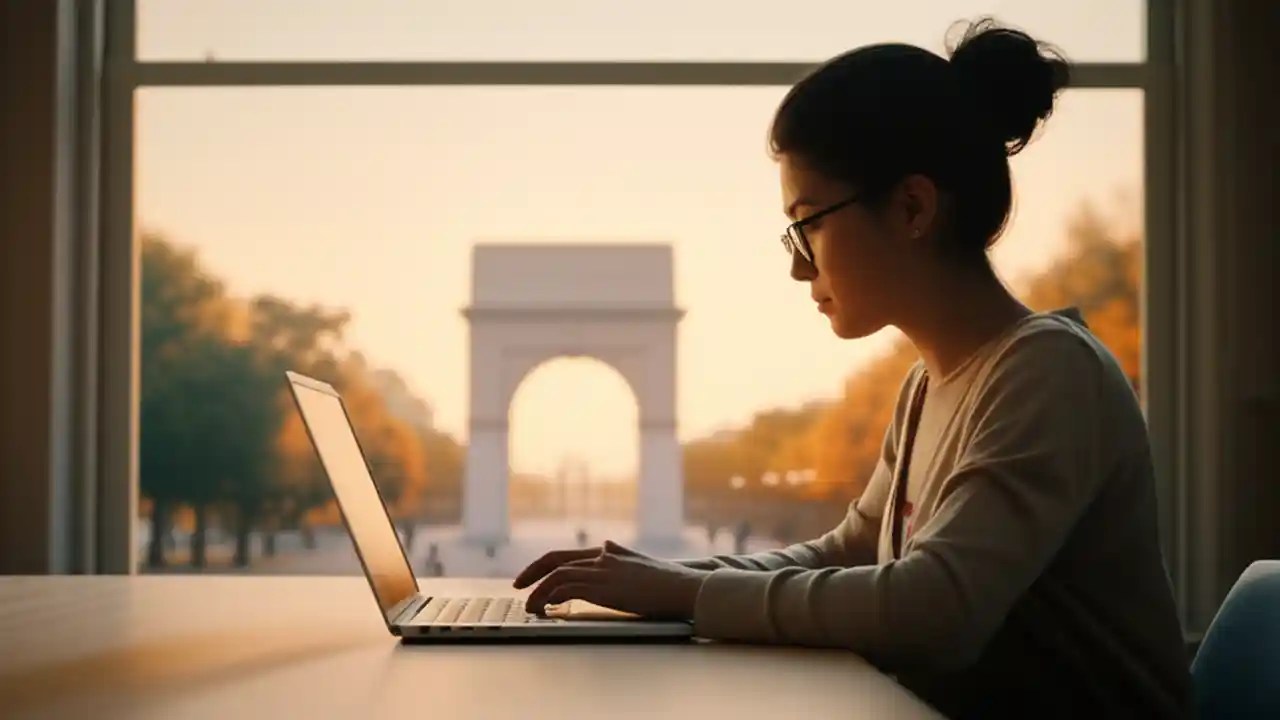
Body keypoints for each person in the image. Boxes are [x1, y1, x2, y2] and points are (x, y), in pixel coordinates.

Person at [512, 18, 1190, 718]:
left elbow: (933, 611)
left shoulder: (1050, 374)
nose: (797, 263)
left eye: (810, 222)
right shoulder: (929, 384)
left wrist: (685, 593)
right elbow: (849, 552)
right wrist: (660, 578)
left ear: (911, 207)